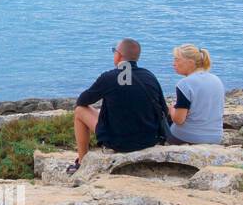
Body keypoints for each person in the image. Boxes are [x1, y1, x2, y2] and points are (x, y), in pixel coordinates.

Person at [69, 38, 170, 172]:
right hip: (149, 139)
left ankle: (82, 161)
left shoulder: (109, 77)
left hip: (118, 142)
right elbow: (164, 108)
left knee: (80, 111)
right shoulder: (149, 76)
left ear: (119, 55)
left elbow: (82, 101)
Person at [166, 44, 225, 145]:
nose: (173, 64)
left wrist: (171, 110)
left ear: (190, 63)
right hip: (215, 137)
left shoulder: (184, 83)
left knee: (162, 116)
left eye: (177, 60)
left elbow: (179, 120)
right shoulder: (216, 79)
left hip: (187, 137)